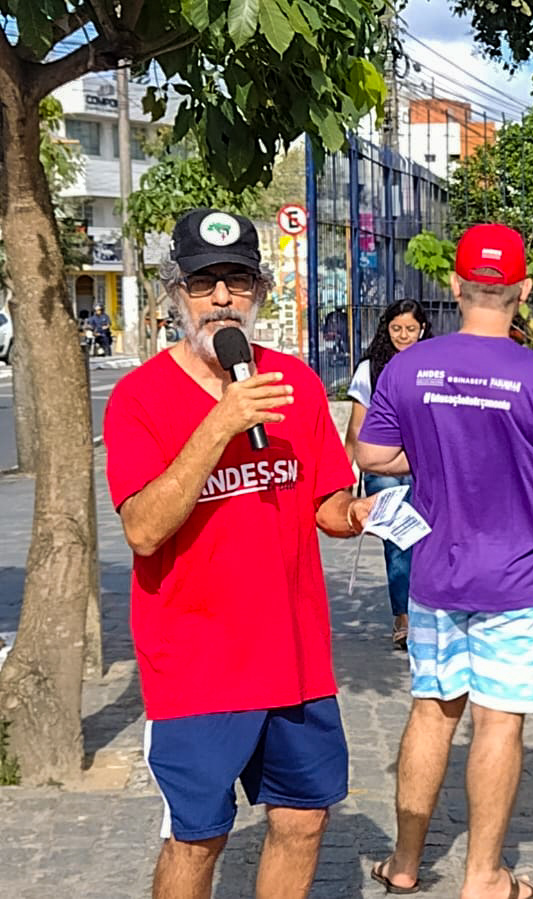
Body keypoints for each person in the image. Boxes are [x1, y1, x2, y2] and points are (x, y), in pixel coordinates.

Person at [103, 208, 375, 899]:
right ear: (176, 295)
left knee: (304, 818)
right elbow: (142, 529)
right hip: (196, 661)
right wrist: (220, 423)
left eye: (237, 280)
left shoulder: (296, 383)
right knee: (198, 837)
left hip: (294, 654)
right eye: (204, 282)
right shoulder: (139, 399)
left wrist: (358, 514)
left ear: (259, 290)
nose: (222, 297)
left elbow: (323, 502)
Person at [358, 223, 533, 899]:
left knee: (432, 710)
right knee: (498, 719)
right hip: (517, 579)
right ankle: (484, 876)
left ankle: (405, 862)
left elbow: (372, 457)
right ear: (521, 291)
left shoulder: (410, 366)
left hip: (435, 573)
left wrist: (431, 453)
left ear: (456, 287)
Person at [343, 298, 431, 651]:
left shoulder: (434, 368)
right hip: (379, 468)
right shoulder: (369, 370)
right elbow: (356, 428)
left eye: (410, 329)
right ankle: (403, 617)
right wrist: (343, 475)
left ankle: (425, 611)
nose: (404, 335)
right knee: (396, 543)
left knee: (423, 540)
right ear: (386, 329)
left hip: (421, 466)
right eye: (397, 329)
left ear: (422, 330)